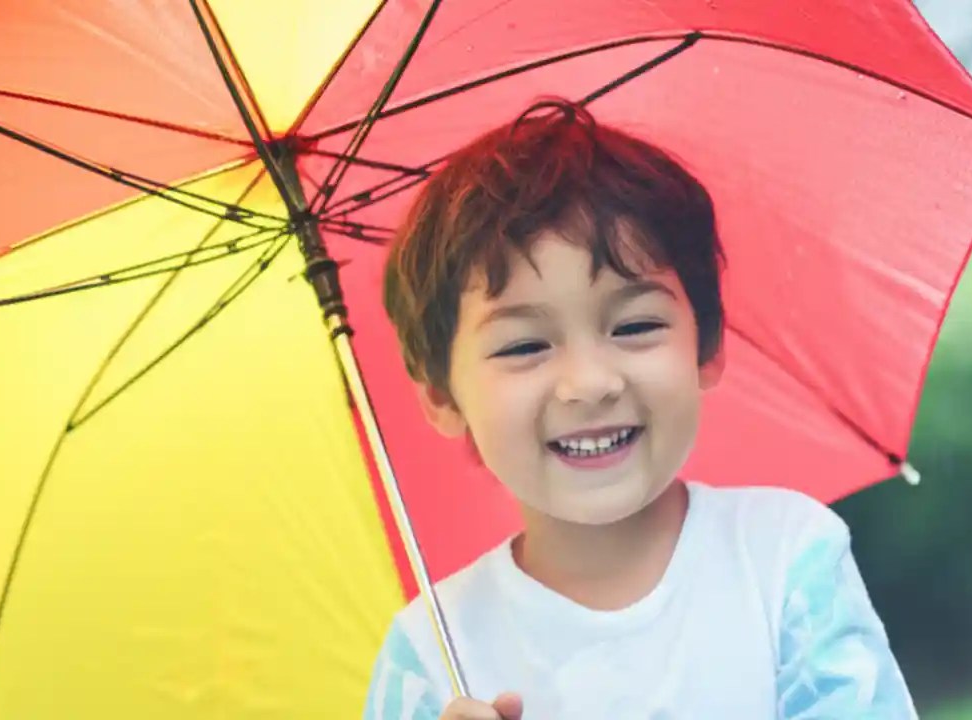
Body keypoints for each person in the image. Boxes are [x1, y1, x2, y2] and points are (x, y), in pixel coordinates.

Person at [364, 97, 917, 719]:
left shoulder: (784, 560)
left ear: (705, 343)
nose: (589, 383)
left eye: (633, 326)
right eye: (524, 344)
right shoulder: (429, 659)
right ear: (441, 395)